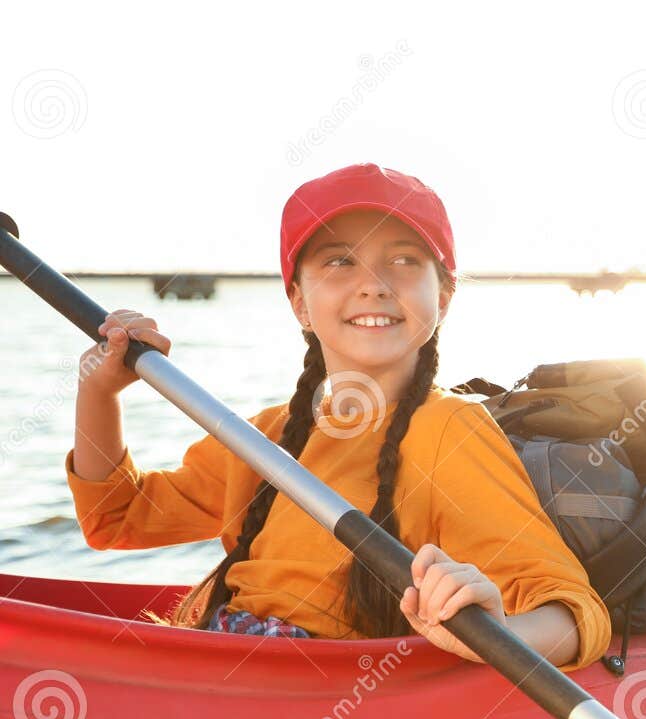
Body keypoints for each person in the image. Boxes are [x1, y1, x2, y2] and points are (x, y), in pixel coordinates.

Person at [64, 162, 611, 669]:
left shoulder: (449, 430)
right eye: (339, 260)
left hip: (311, 689)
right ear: (299, 302)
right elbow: (117, 519)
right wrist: (99, 393)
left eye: (404, 259)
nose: (373, 283)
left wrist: (497, 632)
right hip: (224, 659)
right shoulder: (268, 436)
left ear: (443, 298)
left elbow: (575, 616)